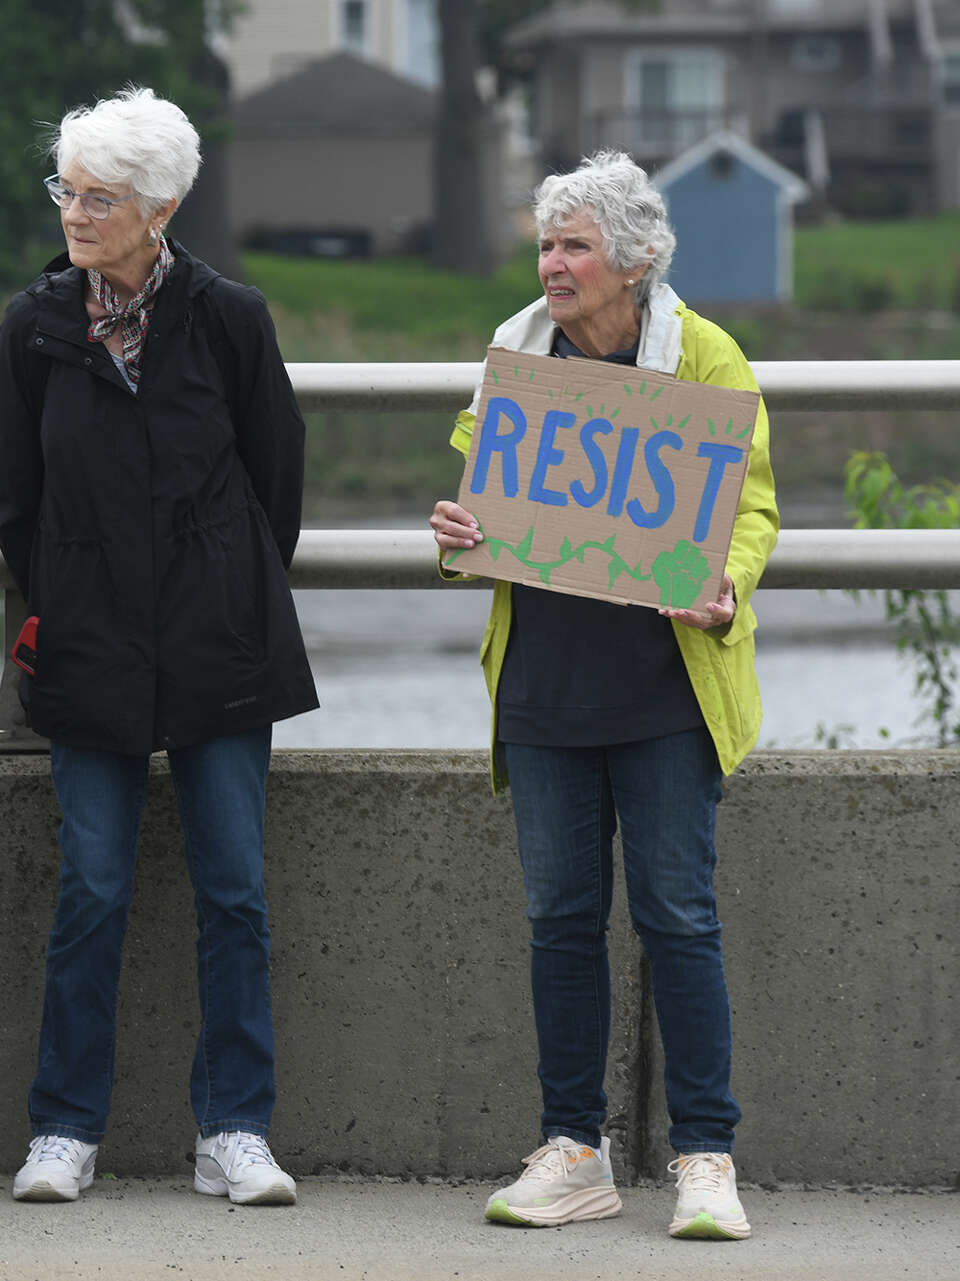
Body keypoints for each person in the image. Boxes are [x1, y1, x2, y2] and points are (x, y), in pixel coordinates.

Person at [430, 150, 778, 1241]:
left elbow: (754, 510)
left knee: (679, 920)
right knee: (558, 923)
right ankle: (573, 1149)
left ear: (635, 260)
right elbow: (478, 503)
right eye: (546, 244)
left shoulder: (706, 355)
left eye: (576, 245)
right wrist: (455, 542)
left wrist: (729, 587)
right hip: (543, 683)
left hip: (665, 686)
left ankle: (706, 1157)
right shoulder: (514, 354)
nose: (554, 264)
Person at [0, 87, 316, 1206]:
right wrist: (71, 592)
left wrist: (217, 581)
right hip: (85, 642)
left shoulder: (230, 317)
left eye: (101, 197)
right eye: (67, 190)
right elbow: (15, 498)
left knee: (234, 890)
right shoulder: (34, 327)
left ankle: (235, 1128)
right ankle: (64, 1128)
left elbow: (277, 483)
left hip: (223, 640)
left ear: (160, 205)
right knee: (94, 886)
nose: (76, 212)